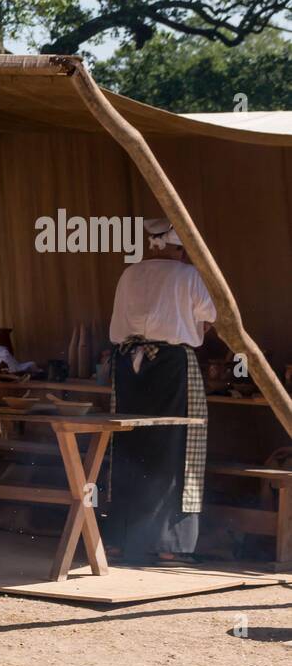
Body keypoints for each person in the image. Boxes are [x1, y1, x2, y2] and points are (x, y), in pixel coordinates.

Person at [108, 218, 215, 564]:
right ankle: (171, 543)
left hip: (127, 364)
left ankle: (120, 538)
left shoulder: (130, 274)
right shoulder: (188, 276)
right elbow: (213, 317)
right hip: (171, 363)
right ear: (180, 245)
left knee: (128, 444)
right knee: (175, 446)